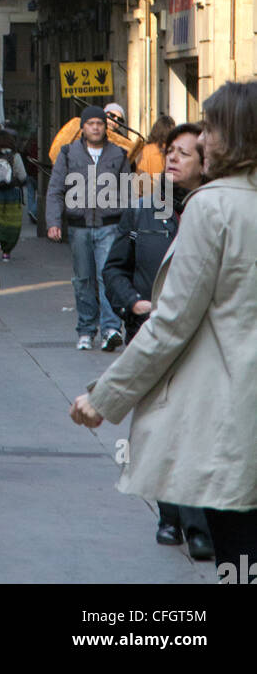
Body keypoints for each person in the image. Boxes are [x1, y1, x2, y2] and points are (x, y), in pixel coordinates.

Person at [70, 81, 257, 578]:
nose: (203, 141)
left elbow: (172, 320)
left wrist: (104, 397)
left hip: (234, 414)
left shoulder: (211, 207)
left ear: (233, 137)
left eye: (212, 129)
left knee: (239, 556)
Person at [101, 122, 213, 560]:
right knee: (162, 427)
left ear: (206, 164)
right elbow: (114, 270)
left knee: (195, 427)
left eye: (184, 153)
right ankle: (172, 516)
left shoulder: (213, 213)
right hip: (150, 335)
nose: (172, 158)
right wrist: (133, 303)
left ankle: (194, 520)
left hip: (202, 340)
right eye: (170, 151)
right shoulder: (141, 213)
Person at [45, 106, 131, 351]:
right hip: (79, 228)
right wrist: (53, 222)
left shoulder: (119, 154)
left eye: (100, 123)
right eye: (91, 123)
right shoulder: (68, 153)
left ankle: (111, 329)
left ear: (105, 127)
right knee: (83, 280)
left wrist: (128, 227)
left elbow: (127, 193)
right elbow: (55, 190)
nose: (96, 127)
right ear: (82, 127)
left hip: (109, 226)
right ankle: (85, 329)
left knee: (108, 278)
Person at [48, 102, 141, 166]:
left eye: (119, 120)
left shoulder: (126, 143)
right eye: (112, 116)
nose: (114, 121)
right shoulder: (84, 130)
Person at [0, 128, 27, 261]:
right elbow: (23, 176)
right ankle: (6, 252)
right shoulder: (16, 157)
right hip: (13, 193)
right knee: (12, 222)